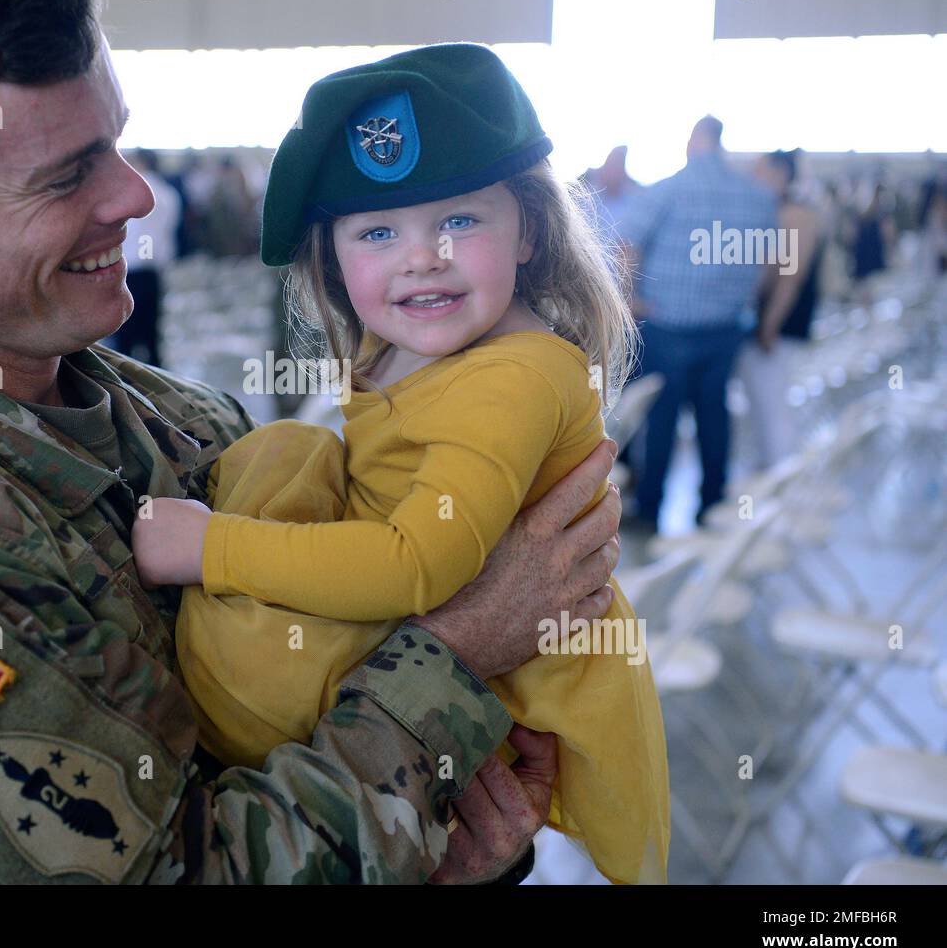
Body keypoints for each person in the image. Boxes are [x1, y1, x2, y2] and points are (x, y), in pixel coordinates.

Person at [0, 0, 623, 886]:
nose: (134, 196)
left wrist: (461, 829)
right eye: (67, 177)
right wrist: (456, 658)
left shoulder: (163, 415)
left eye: (116, 142)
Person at [132, 45, 668, 885]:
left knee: (247, 649)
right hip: (424, 629)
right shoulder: (413, 347)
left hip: (494, 663)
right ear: (335, 259)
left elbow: (415, 562)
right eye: (378, 231)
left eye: (458, 220)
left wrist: (213, 548)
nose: (422, 256)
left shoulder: (515, 375)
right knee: (291, 450)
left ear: (527, 228)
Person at [617, 116, 778, 533]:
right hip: (725, 327)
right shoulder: (756, 197)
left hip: (668, 324)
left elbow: (626, 245)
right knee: (714, 414)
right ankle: (711, 506)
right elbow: (766, 262)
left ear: (695, 141)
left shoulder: (670, 188)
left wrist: (630, 298)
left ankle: (651, 509)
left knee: (662, 417)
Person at [738, 150, 822, 470]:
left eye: (759, 171)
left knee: (773, 408)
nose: (753, 178)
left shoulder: (795, 213)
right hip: (765, 322)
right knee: (761, 408)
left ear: (780, 173)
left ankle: (781, 480)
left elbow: (791, 276)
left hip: (779, 325)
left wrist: (770, 325)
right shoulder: (776, 209)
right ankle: (771, 477)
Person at [111, 149, 180, 366]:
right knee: (151, 333)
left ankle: (126, 386)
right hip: (154, 270)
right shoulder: (168, 193)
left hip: (131, 269)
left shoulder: (131, 193)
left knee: (126, 336)